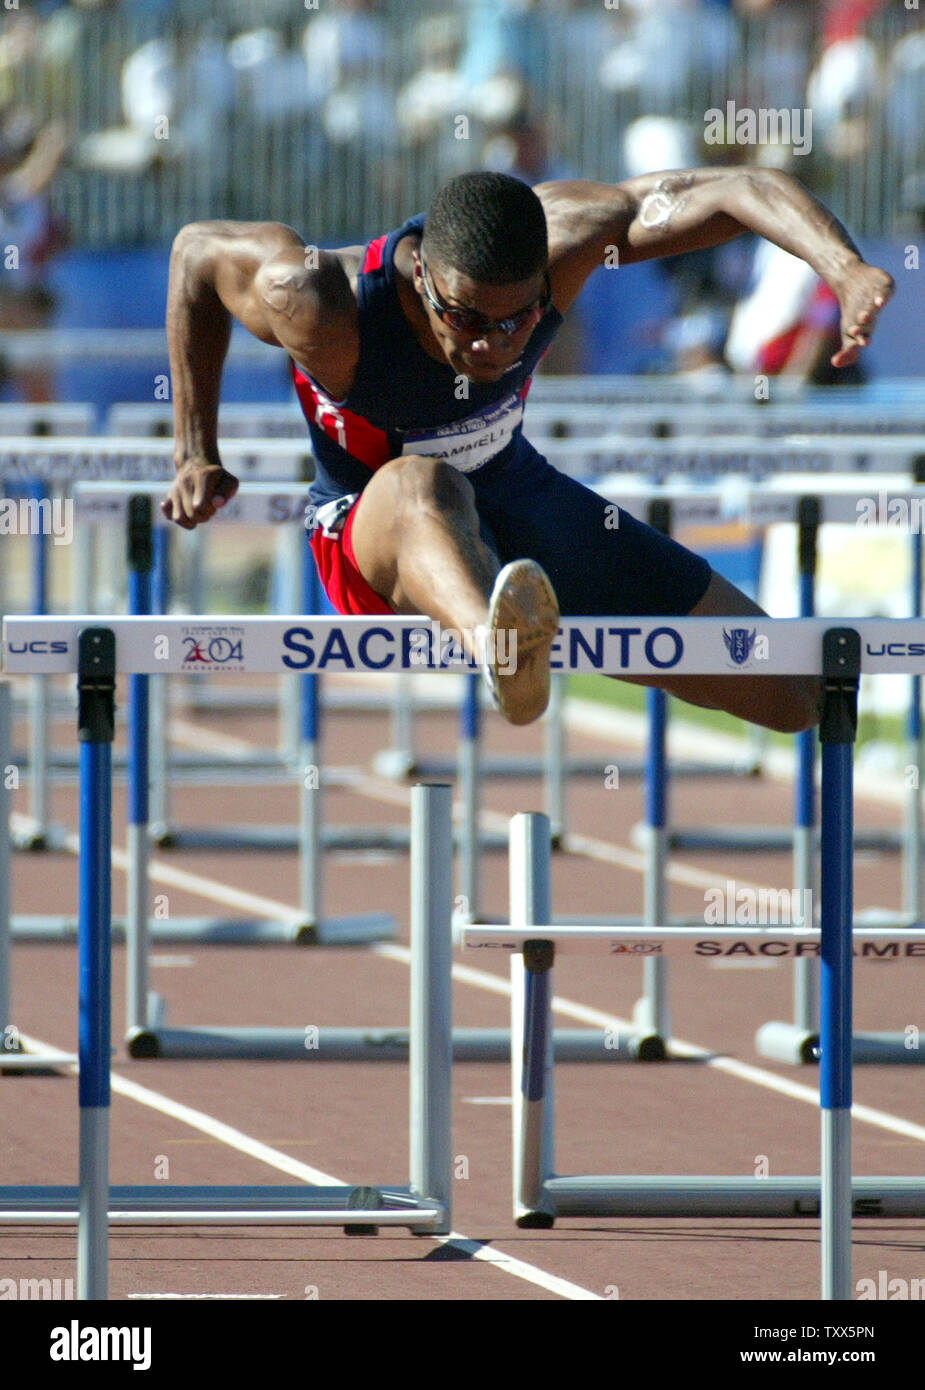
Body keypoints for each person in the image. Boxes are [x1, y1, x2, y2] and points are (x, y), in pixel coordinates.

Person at [162, 168, 892, 729]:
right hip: (375, 527)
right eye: (465, 318)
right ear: (423, 278)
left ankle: (513, 618)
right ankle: (500, 648)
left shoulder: (573, 236)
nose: (491, 344)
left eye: (517, 321)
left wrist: (842, 267)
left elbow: (735, 186)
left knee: (796, 689)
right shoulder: (321, 300)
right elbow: (196, 253)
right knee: (423, 483)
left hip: (515, 490)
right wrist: (195, 447)